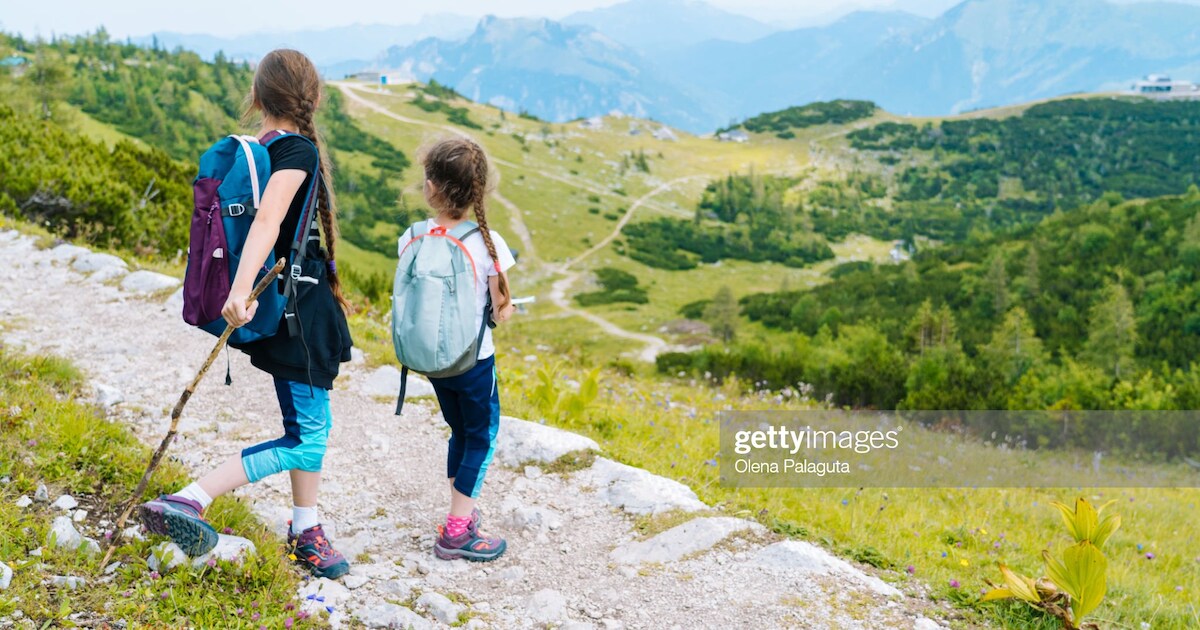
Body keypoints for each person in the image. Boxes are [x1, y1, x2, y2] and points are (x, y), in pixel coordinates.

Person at [138, 49, 354, 579]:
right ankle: (191, 497)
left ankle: (306, 528)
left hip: (277, 309)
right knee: (308, 436)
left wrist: (243, 291)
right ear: (314, 98)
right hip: (295, 312)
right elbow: (268, 223)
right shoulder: (297, 150)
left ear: (257, 99)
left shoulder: (258, 149)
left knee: (305, 425)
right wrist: (240, 290)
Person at [397, 137, 516, 561]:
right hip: (473, 361)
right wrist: (507, 306)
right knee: (480, 437)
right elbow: (501, 311)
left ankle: (459, 508)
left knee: (458, 432)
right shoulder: (488, 243)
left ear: (430, 187)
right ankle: (457, 530)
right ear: (479, 190)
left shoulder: (411, 236)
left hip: (432, 361)